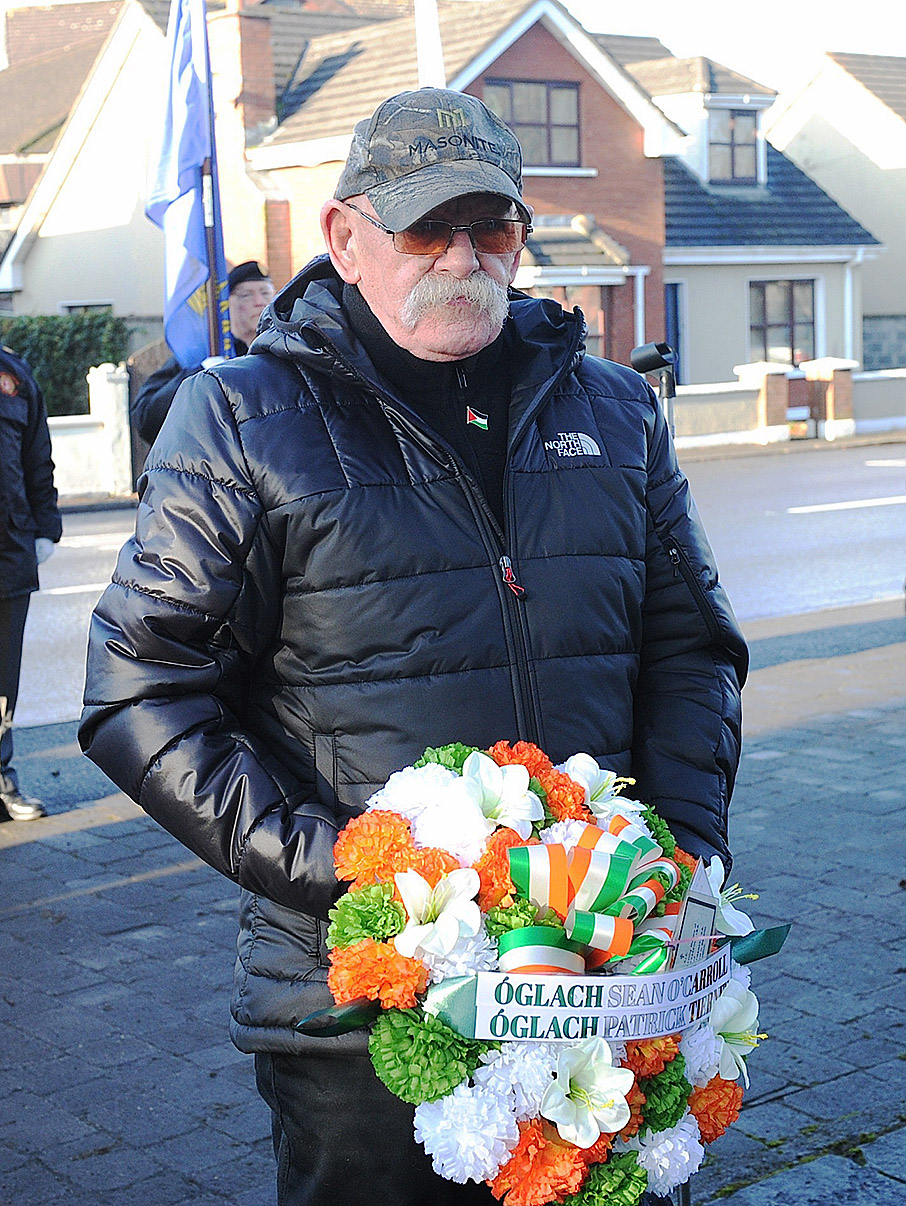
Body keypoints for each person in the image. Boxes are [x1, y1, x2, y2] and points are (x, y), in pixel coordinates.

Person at [80, 88, 747, 1205]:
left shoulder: (620, 411)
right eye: (427, 226)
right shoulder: (240, 417)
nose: (463, 256)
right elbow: (139, 691)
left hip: (602, 982)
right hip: (362, 1006)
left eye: (492, 227)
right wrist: (359, 878)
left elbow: (690, 650)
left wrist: (670, 866)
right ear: (346, 237)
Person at [1, 345, 61, 822]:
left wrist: (45, 528)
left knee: (3, 682)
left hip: (8, 551)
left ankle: (1, 782)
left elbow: (37, 457)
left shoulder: (13, 372)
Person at [130, 260, 275, 445]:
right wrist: (200, 374)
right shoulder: (202, 354)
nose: (259, 302)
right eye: (246, 295)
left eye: (266, 293)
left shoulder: (282, 349)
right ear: (225, 304)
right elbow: (146, 418)